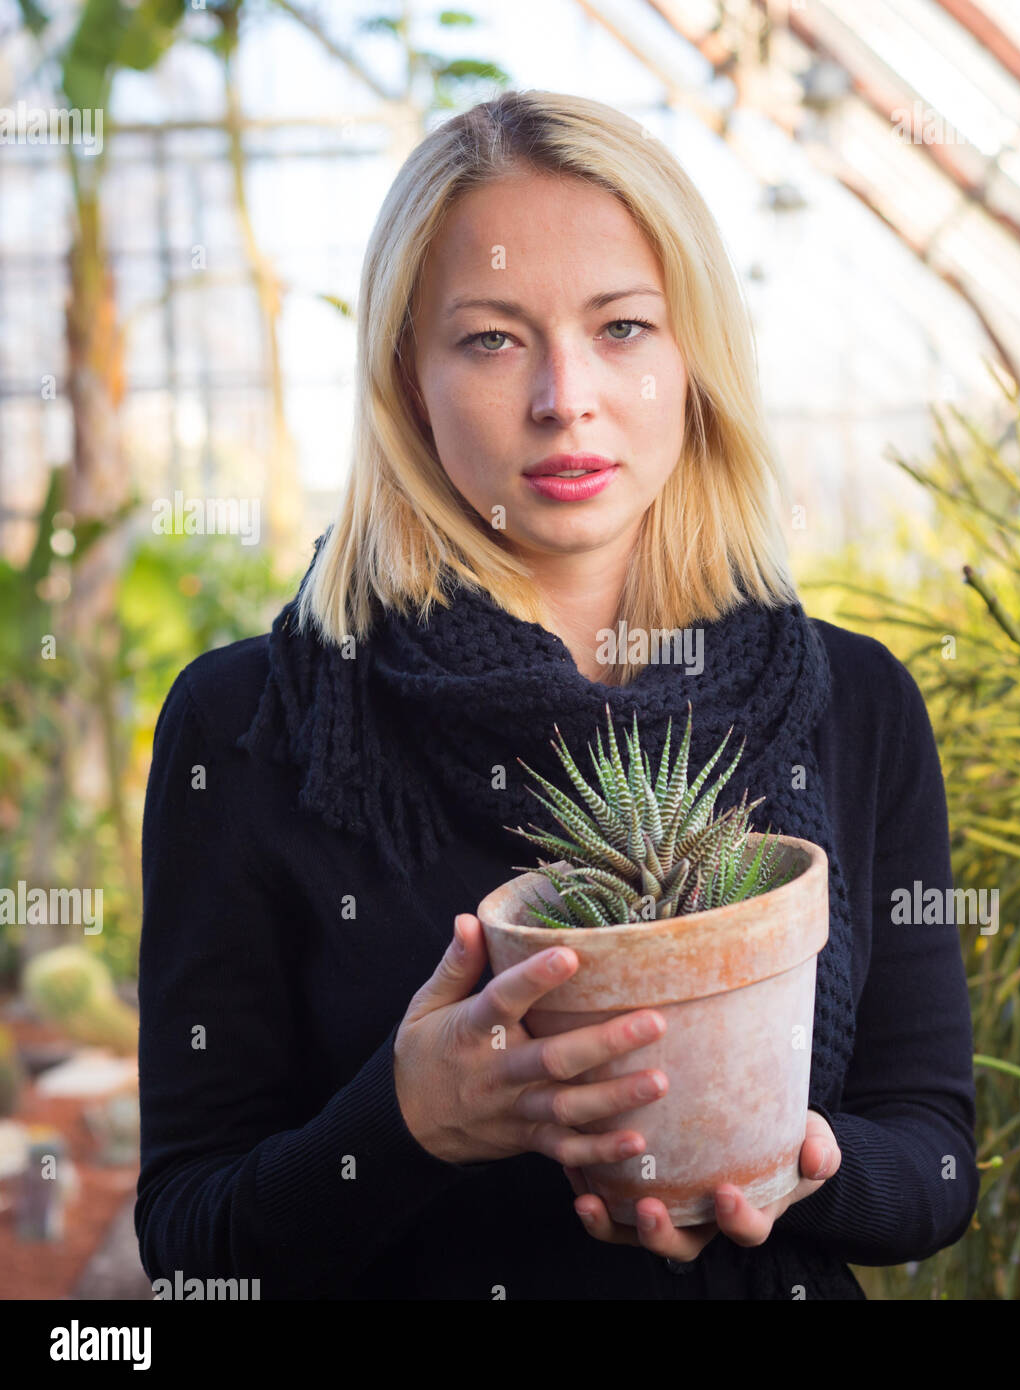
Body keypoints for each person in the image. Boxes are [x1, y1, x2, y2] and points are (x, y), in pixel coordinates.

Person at [134, 89, 977, 1300]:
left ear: (695, 357)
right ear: (405, 379)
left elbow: (937, 1155)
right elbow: (189, 1233)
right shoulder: (255, 725)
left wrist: (796, 1167)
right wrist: (404, 1123)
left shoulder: (851, 700)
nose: (563, 395)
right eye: (490, 337)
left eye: (623, 327)